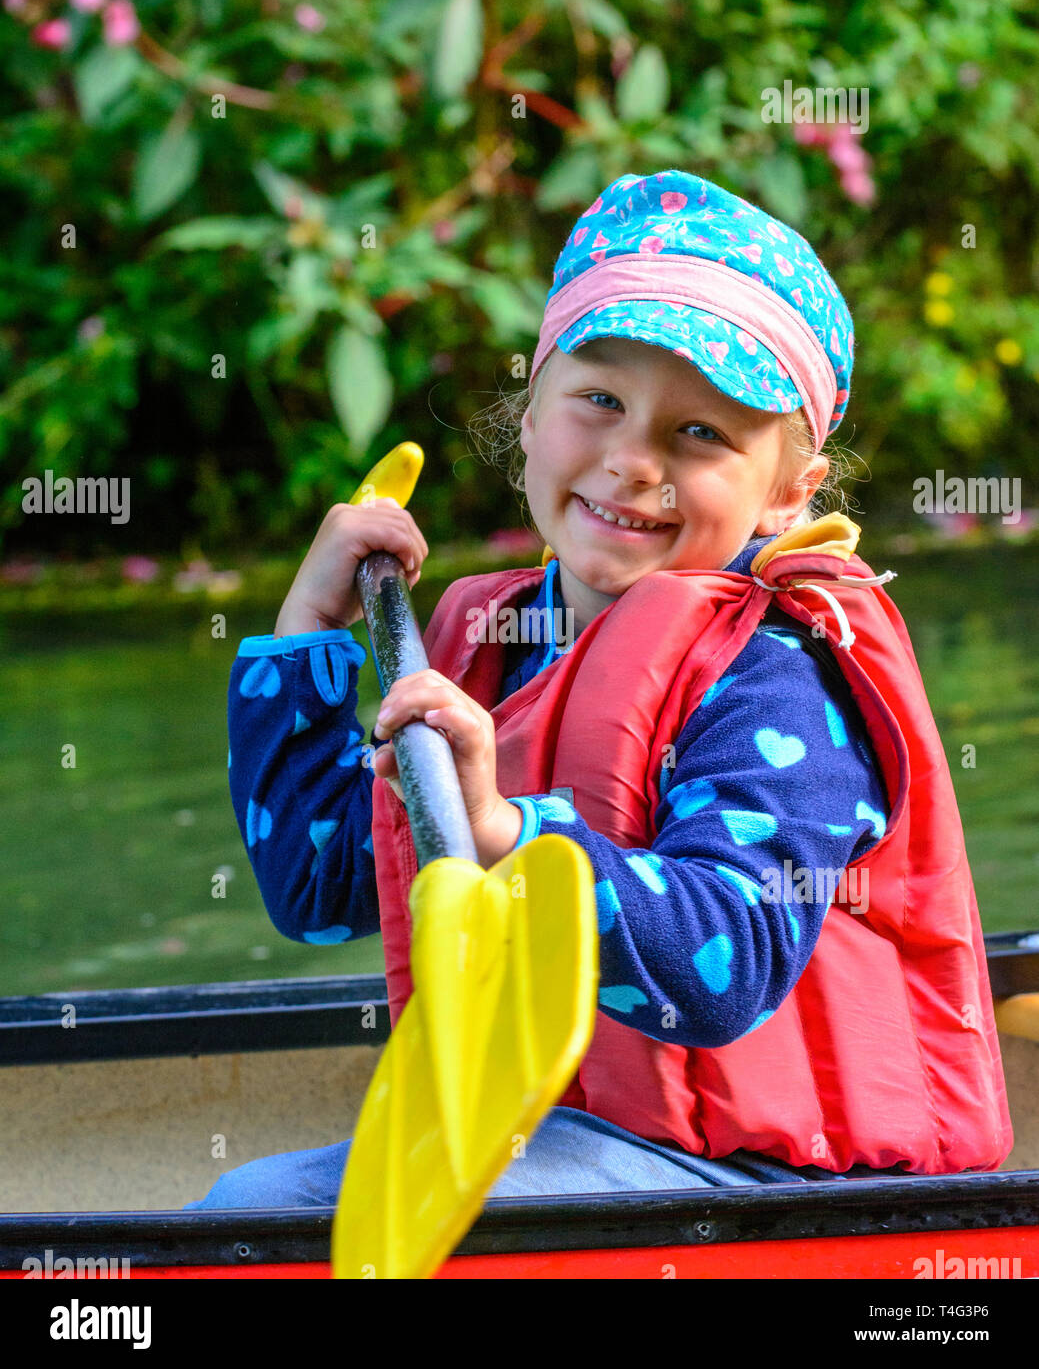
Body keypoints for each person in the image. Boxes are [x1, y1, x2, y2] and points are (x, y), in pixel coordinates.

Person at [186, 170, 1011, 1210]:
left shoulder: (778, 676)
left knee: (251, 1216)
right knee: (253, 1201)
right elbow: (315, 892)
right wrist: (304, 632)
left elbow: (726, 967)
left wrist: (501, 830)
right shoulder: (488, 650)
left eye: (699, 434)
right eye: (599, 401)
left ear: (790, 488)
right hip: (568, 1133)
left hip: (748, 1174)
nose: (629, 462)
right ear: (530, 413)